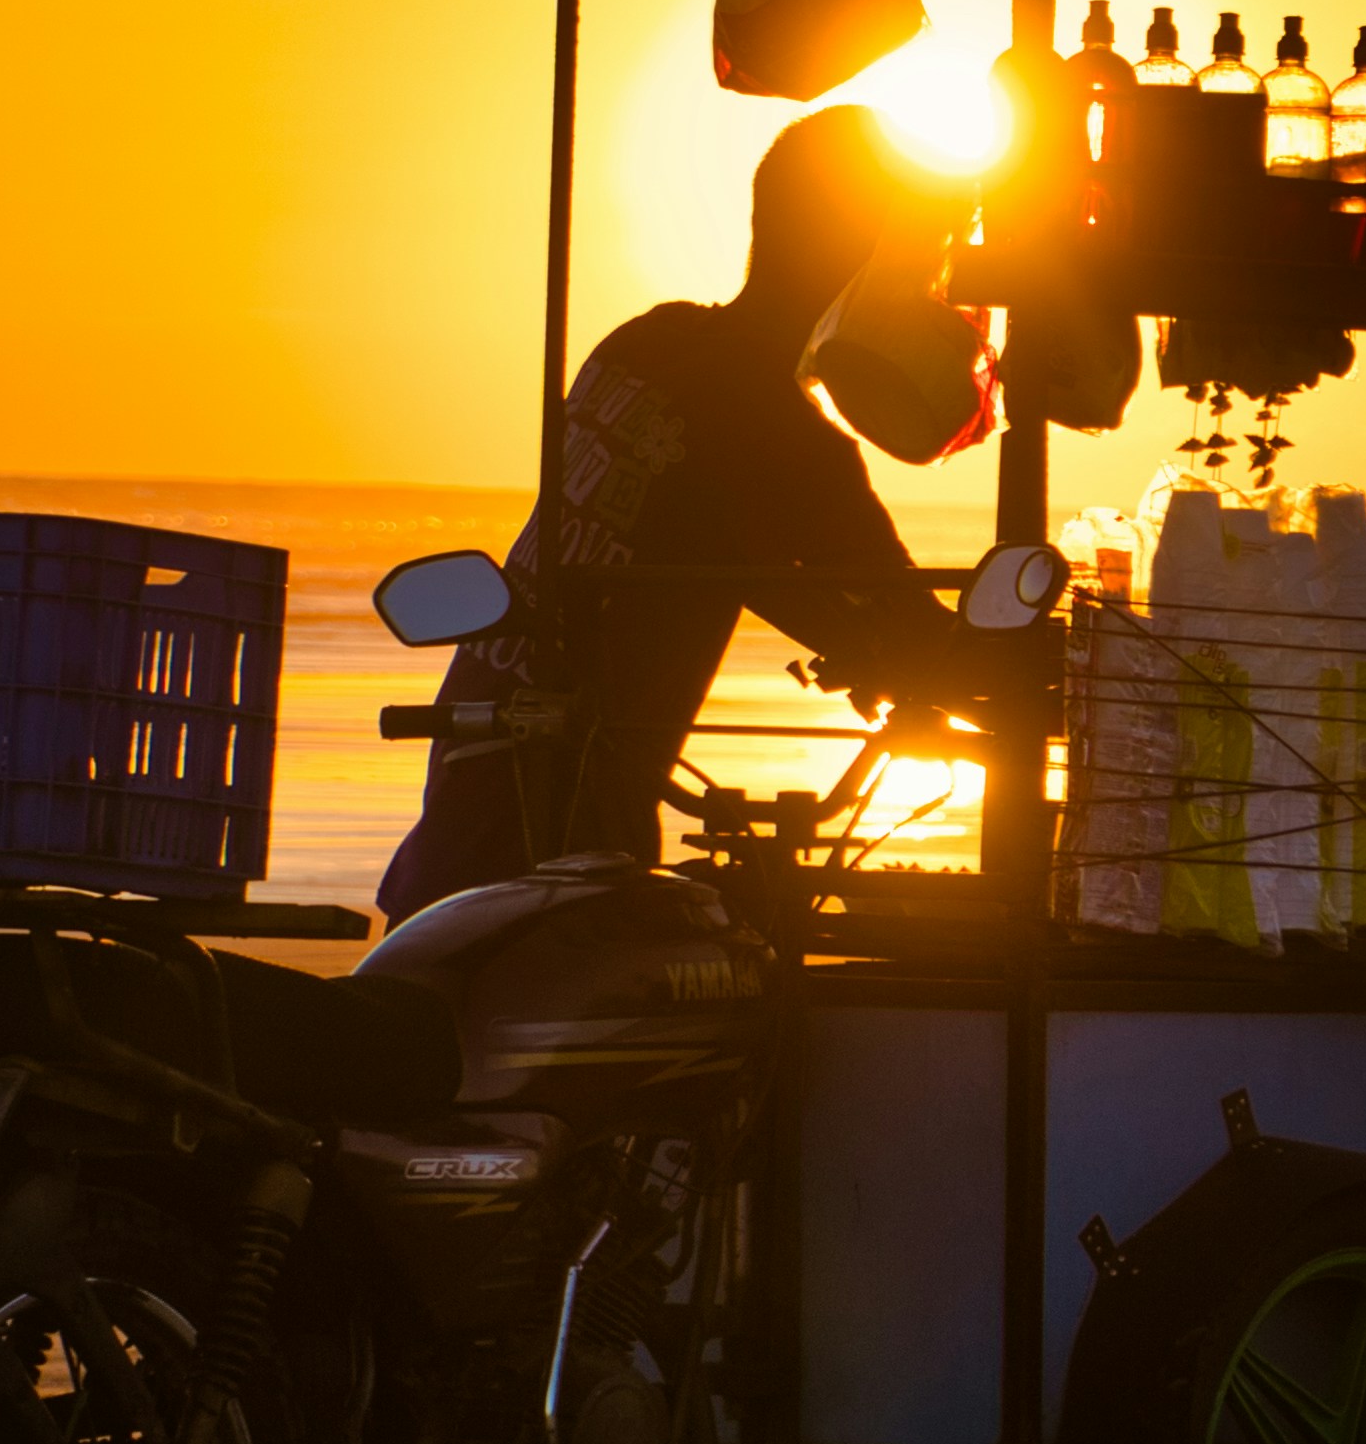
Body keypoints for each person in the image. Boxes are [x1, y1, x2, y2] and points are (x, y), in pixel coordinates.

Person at [376, 107, 1025, 922]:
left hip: (468, 812)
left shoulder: (645, 343)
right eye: (924, 267)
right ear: (865, 257)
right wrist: (1050, 672)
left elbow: (709, 547)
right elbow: (913, 633)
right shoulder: (782, 438)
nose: (932, 295)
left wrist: (856, 636)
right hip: (559, 850)